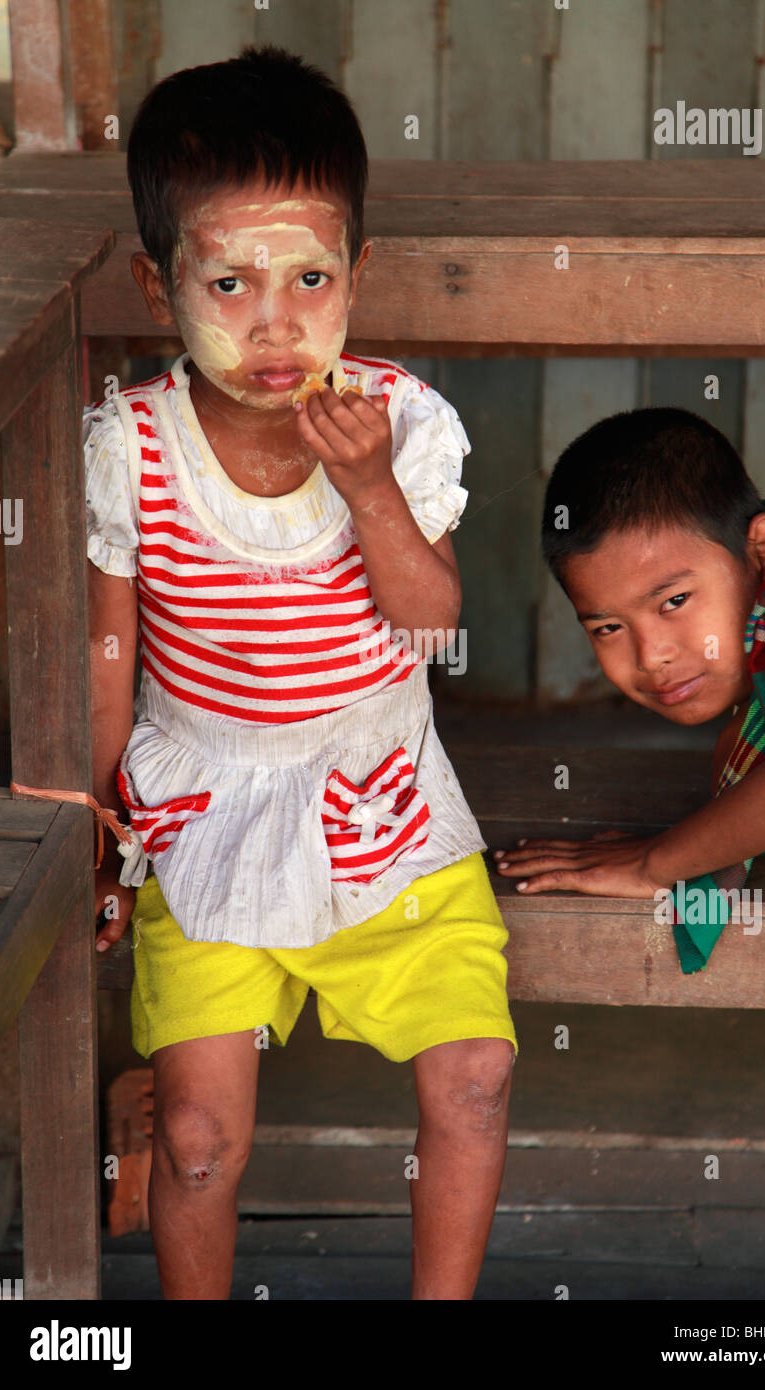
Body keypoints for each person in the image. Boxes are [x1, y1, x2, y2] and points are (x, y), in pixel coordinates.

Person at [86, 43, 516, 1301]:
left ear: (357, 274)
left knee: (478, 1075)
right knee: (200, 1137)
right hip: (206, 803)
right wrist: (93, 814)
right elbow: (113, 648)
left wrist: (369, 483)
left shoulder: (400, 421)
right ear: (153, 280)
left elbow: (431, 619)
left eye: (310, 278)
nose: (276, 324)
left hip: (377, 791)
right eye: (228, 280)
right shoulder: (131, 449)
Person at [495, 407, 765, 971]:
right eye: (608, 627)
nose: (651, 654)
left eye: (674, 601)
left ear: (762, 552)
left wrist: (654, 863)